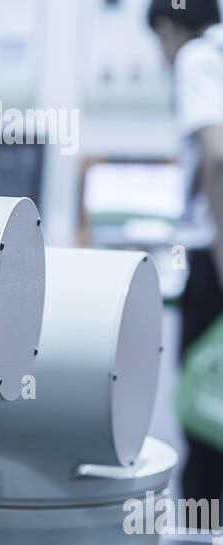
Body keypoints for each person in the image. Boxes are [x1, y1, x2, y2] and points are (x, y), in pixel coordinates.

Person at [150, 0, 223, 504]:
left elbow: (217, 157)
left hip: (213, 256)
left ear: (169, 27)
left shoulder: (198, 56)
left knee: (206, 411)